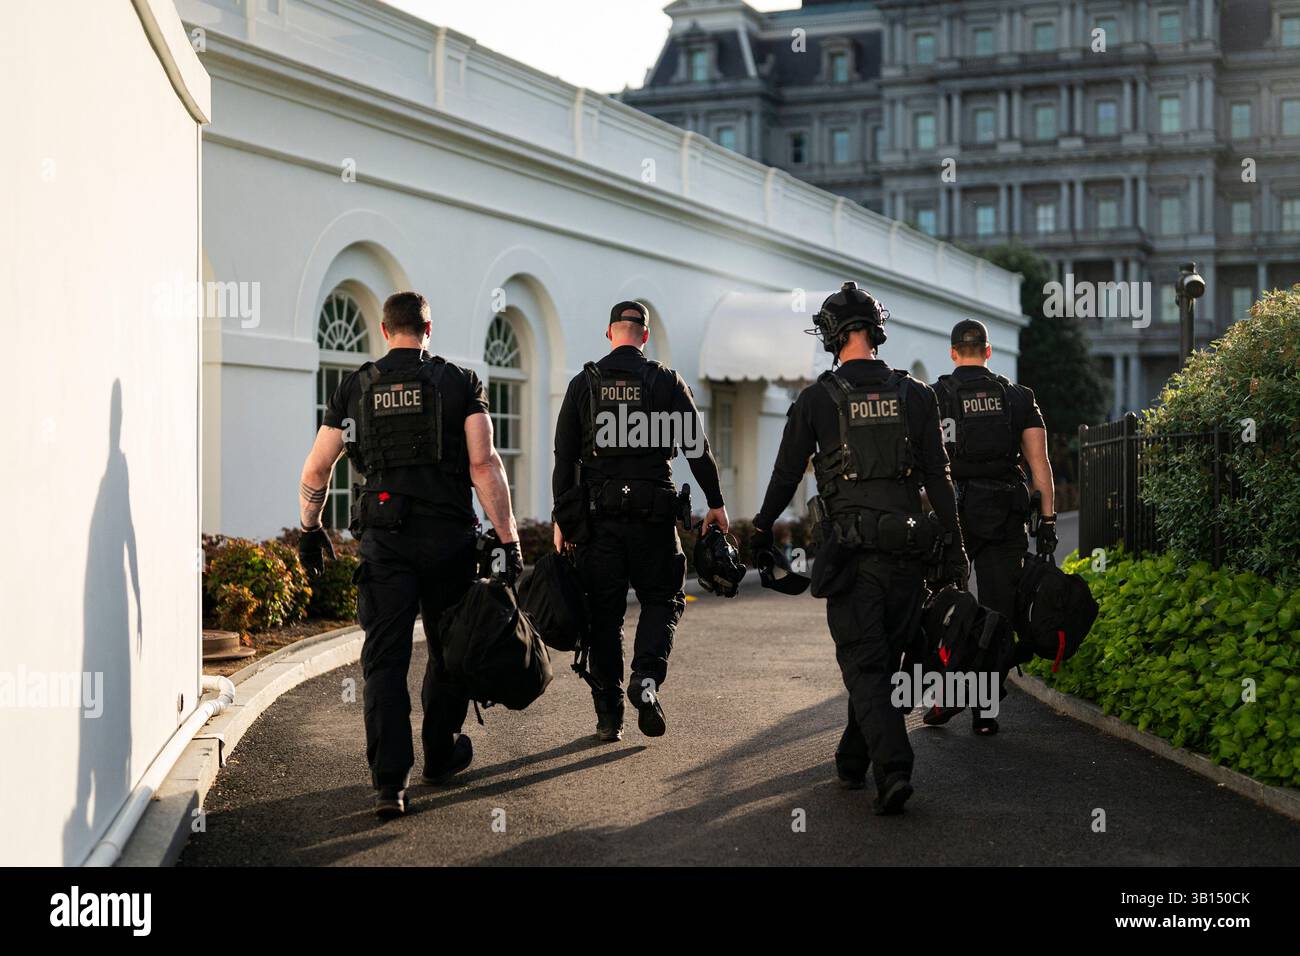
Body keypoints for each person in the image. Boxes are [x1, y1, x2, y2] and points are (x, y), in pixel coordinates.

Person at [296, 291, 521, 819]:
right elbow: (484, 464)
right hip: (447, 543)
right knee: (448, 653)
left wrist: (310, 527)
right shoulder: (459, 383)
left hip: (385, 546)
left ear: (383, 329)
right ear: (428, 328)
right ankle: (440, 757)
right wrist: (507, 538)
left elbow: (316, 469)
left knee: (384, 662)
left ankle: (390, 784)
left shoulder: (355, 387)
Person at [750, 282, 967, 815]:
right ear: (875, 330)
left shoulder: (817, 398)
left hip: (852, 557)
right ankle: (852, 762)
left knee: (866, 665)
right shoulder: (917, 393)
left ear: (832, 334)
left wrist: (759, 528)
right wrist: (956, 548)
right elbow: (939, 479)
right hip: (910, 552)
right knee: (882, 660)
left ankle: (893, 769)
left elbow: (784, 475)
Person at [551, 301, 728, 742]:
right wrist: (716, 504)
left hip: (598, 526)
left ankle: (609, 717)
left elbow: (564, 460)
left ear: (610, 333)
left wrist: (564, 519)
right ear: (644, 336)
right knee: (662, 601)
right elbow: (697, 449)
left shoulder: (583, 384)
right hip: (653, 522)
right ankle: (644, 682)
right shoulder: (665, 381)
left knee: (603, 618)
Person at [927, 318, 1055, 735]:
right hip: (1004, 514)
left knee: (950, 610)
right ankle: (985, 712)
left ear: (952, 353)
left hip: (954, 516)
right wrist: (1048, 519)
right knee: (999, 613)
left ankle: (949, 694)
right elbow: (1040, 465)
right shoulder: (1017, 397)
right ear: (988, 351)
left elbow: (919, 467)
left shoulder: (934, 397)